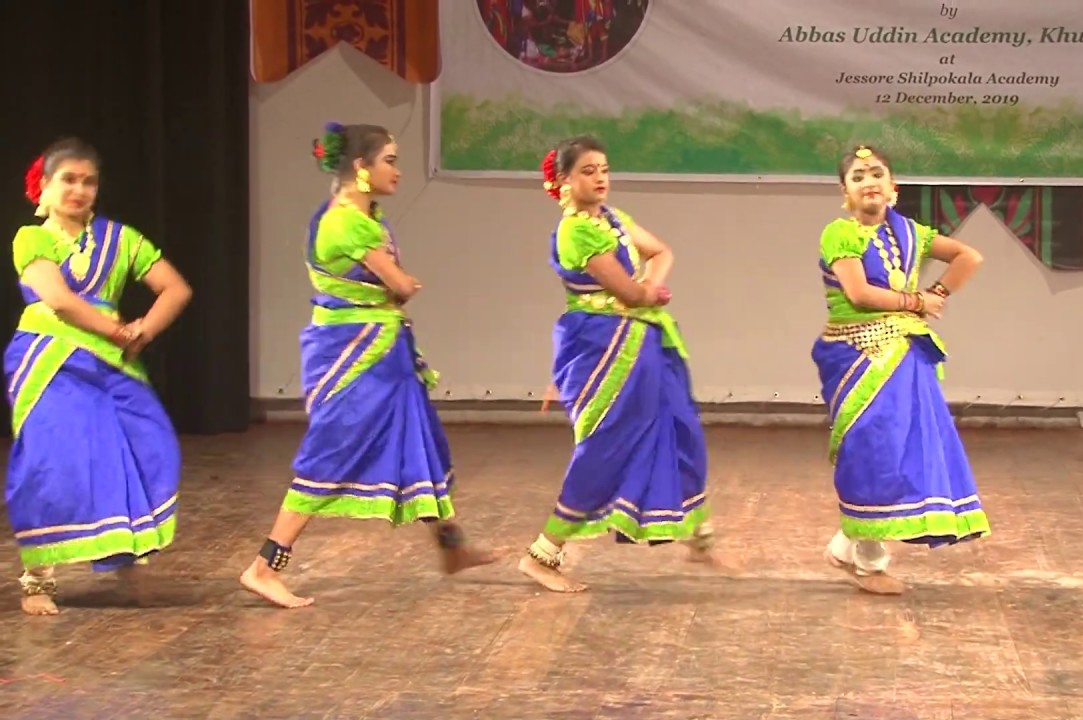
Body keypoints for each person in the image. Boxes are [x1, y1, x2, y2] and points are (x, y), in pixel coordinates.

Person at [238, 122, 496, 609]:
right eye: (390, 161)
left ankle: (452, 549)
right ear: (361, 167)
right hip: (356, 353)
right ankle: (264, 565)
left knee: (418, 445)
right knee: (332, 451)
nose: (397, 170)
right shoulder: (347, 222)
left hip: (381, 351)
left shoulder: (357, 215)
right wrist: (404, 286)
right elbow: (399, 284)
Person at [519, 135, 721, 593]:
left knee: (679, 427)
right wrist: (647, 292)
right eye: (588, 171)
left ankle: (700, 537)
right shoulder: (575, 231)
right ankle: (542, 553)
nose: (600, 178)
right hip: (601, 346)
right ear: (564, 181)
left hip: (641, 341)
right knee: (607, 446)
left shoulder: (614, 219)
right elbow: (627, 292)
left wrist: (649, 287)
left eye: (605, 169)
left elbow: (662, 251)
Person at [6, 137, 192, 616]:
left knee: (147, 445)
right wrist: (118, 332)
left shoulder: (119, 239)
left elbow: (175, 288)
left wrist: (144, 331)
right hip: (50, 358)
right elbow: (59, 300)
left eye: (89, 181)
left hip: (111, 361)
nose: (79, 190)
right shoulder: (32, 238)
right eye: (68, 179)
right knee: (53, 461)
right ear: (45, 186)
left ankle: (124, 542)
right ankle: (37, 578)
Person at [814, 144, 990, 595]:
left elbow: (969, 257)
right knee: (871, 451)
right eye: (857, 177)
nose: (868, 181)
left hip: (904, 354)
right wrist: (918, 301)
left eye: (876, 173)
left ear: (893, 186)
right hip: (856, 355)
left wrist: (938, 295)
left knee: (903, 450)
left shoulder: (911, 233)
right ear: (845, 192)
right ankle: (868, 564)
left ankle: (847, 547)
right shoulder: (839, 233)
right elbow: (859, 294)